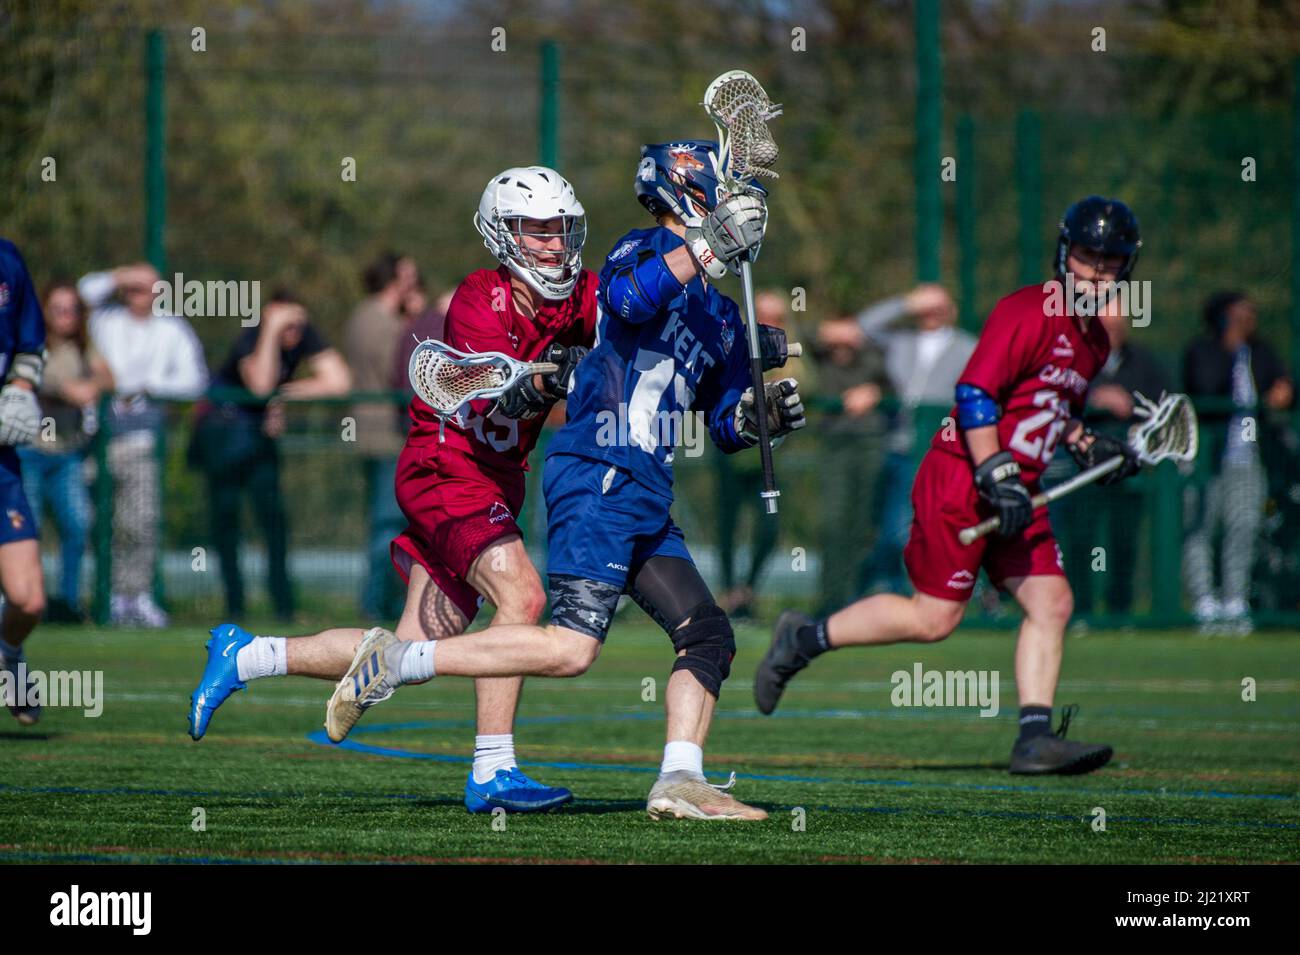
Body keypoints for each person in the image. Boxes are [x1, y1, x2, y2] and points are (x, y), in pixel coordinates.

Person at [324, 141, 805, 821]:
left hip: (648, 491)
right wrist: (707, 247)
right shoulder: (636, 254)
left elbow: (721, 422)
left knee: (707, 634)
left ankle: (680, 779)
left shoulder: (722, 316)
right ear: (692, 196)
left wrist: (757, 418)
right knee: (574, 647)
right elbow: (634, 300)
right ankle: (401, 662)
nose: (738, 207)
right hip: (600, 471)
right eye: (723, 194)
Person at [189, 166, 593, 815]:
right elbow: (504, 389)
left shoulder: (581, 296)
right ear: (503, 234)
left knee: (404, 648)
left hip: (493, 479)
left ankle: (248, 654)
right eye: (535, 229)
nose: (551, 243)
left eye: (559, 229)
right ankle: (493, 770)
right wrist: (547, 379)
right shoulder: (477, 297)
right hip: (447, 468)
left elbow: (640, 307)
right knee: (523, 595)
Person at [757, 196, 1145, 776]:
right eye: (1089, 257)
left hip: (1020, 485)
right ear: (1066, 253)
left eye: (1111, 261)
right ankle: (803, 637)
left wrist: (1087, 444)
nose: (1098, 271)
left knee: (1052, 601)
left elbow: (1045, 408)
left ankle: (1034, 739)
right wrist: (996, 471)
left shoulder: (1093, 340)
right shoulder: (1029, 310)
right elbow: (975, 394)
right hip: (965, 475)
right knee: (934, 619)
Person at [191, 290, 351, 621]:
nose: (292, 331)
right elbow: (261, 385)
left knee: (274, 523)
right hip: (223, 438)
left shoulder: (301, 331)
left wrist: (285, 395)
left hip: (258, 442)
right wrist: (270, 329)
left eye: (296, 324)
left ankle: (283, 607)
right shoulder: (253, 336)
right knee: (227, 523)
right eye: (284, 322)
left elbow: (339, 382)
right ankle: (234, 606)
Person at [820, 283, 975, 594]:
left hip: (934, 449)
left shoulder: (967, 347)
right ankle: (878, 591)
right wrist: (907, 303)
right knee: (876, 525)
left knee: (910, 526)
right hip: (893, 445)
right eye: (927, 307)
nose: (932, 313)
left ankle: (920, 591)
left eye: (939, 307)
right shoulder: (902, 342)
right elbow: (862, 327)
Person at [80, 263, 208, 627]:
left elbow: (194, 381)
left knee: (139, 522)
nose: (136, 294)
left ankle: (133, 597)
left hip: (140, 442)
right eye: (130, 287)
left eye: (144, 287)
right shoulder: (103, 320)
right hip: (93, 440)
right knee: (87, 522)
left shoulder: (172, 329)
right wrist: (121, 275)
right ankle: (86, 596)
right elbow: (82, 292)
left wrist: (150, 387)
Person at [1048, 300, 1169, 617]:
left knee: (1124, 539)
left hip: (1128, 468)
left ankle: (1120, 610)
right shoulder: (1074, 360)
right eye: (1105, 325)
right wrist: (1096, 397)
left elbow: (1163, 405)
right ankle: (1082, 609)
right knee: (1080, 539)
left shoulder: (1144, 363)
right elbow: (1055, 397)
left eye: (1117, 325)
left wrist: (1132, 405)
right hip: (1082, 466)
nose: (1112, 332)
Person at [1182, 292, 1293, 635]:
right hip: (1206, 458)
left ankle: (1235, 601)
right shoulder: (1203, 351)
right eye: (1238, 314)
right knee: (1201, 526)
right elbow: (1204, 387)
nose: (1247, 320)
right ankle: (1204, 602)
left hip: (1246, 457)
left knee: (1243, 526)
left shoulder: (1262, 353)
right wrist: (1230, 349)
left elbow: (1286, 386)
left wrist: (1284, 391)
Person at [18, 283, 113, 622]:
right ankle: (26, 602)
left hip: (66, 455)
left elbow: (108, 377)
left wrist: (93, 386)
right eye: (58, 308)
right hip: (28, 451)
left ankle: (67, 603)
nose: (65, 316)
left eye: (71, 309)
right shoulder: (30, 343)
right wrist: (65, 389)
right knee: (25, 532)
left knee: (76, 526)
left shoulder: (83, 349)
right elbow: (33, 378)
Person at [713, 289, 805, 618]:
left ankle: (747, 592)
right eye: (761, 316)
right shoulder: (733, 343)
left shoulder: (790, 349)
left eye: (775, 318)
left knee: (769, 528)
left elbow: (804, 384)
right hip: (735, 454)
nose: (767, 324)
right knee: (727, 527)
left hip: (770, 460)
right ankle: (728, 593)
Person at [345, 253, 416, 622]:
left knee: (385, 521)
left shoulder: (361, 315)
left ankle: (382, 602)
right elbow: (406, 371)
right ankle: (378, 605)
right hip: (389, 436)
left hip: (369, 433)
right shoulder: (386, 324)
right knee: (389, 524)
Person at [0, 238, 48, 724]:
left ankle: (8, 654)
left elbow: (30, 346)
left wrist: (19, 387)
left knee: (29, 599)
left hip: (0, 463)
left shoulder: (8, 261)